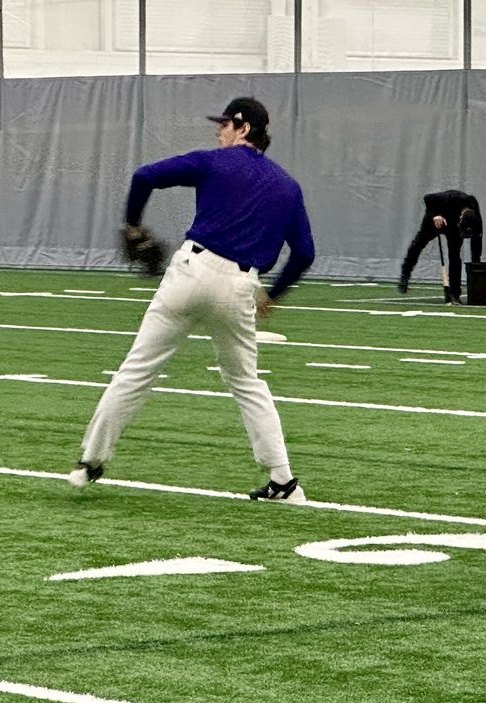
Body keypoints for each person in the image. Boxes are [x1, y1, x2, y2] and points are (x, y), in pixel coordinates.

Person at [66, 97, 316, 503]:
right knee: (246, 382)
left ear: (243, 128)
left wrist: (132, 222)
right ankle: (284, 482)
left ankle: (90, 461)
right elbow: (304, 252)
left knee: (138, 369)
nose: (218, 133)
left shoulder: (215, 162)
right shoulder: (288, 186)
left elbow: (144, 176)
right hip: (240, 285)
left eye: (224, 126)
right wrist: (275, 292)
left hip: (190, 271)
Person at [398, 190, 483, 305]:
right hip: (436, 220)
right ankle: (405, 275)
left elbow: (477, 241)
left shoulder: (474, 210)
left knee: (454, 256)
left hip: (454, 228)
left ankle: (454, 294)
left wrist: (476, 266)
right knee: (417, 245)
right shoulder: (452, 197)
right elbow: (427, 197)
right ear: (461, 218)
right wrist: (436, 215)